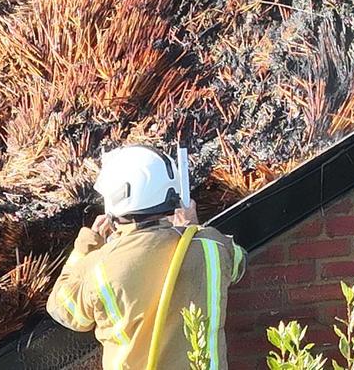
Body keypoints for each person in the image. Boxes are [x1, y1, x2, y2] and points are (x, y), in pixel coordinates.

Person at [46, 145, 246, 370]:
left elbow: (64, 311)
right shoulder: (211, 246)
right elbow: (239, 264)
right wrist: (193, 228)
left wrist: (85, 248)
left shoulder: (101, 264)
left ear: (117, 197)